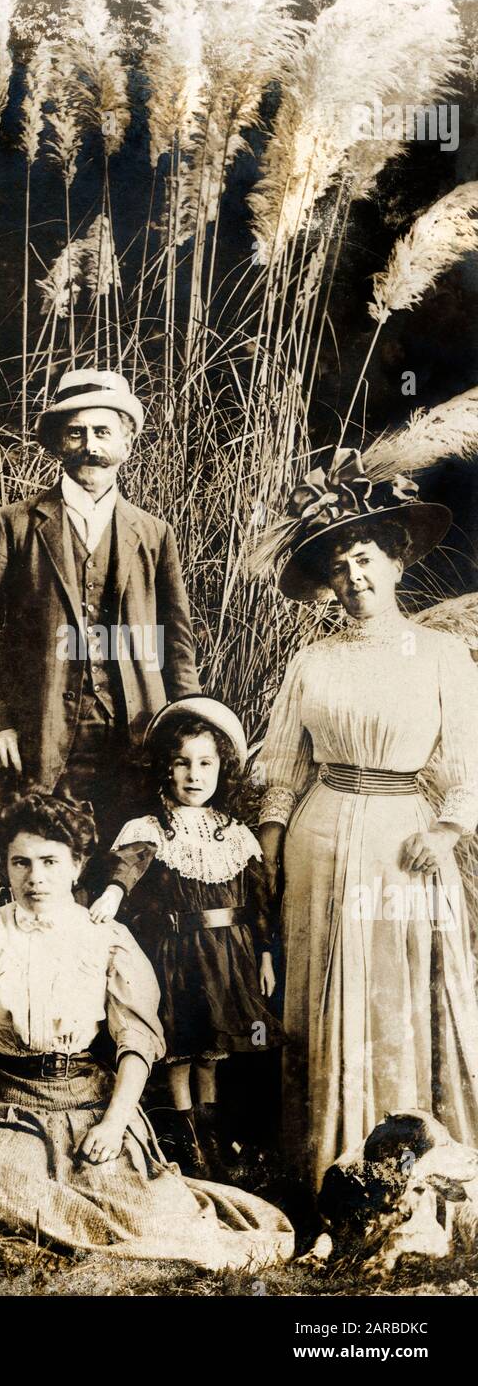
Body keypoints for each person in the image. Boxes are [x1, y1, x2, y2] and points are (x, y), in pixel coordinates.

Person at [0, 788, 294, 1271]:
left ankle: (80, 1240)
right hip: (8, 1105)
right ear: (6, 867)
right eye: (21, 863)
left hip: (90, 1101)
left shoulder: (105, 936)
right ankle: (71, 1243)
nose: (35, 878)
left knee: (141, 1203)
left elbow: (137, 1041)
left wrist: (115, 1122)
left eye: (51, 862)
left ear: (77, 866)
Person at [254, 448, 478, 1189]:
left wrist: (445, 831)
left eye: (366, 561)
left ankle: (414, 1165)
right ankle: (329, 1171)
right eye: (340, 569)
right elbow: (283, 770)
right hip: (320, 841)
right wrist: (271, 851)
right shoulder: (311, 661)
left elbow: (468, 765)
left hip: (405, 841)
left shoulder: (442, 655)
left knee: (399, 995)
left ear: (397, 561)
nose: (354, 579)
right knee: (319, 994)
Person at [0, 369, 200, 840]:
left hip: (137, 732)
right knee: (50, 861)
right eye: (77, 432)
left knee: (129, 862)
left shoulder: (153, 533)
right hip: (41, 733)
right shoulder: (12, 526)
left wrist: (185, 725)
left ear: (127, 443)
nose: (91, 445)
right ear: (57, 444)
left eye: (103, 432)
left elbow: (177, 640)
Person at [90, 696, 283, 1180]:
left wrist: (263, 954)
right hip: (176, 954)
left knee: (212, 1052)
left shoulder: (236, 834)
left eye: (205, 763)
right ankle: (185, 1139)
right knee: (180, 1045)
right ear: (165, 769)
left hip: (230, 953)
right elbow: (128, 865)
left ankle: (213, 1137)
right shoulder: (152, 828)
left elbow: (258, 900)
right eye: (182, 764)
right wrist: (113, 894)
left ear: (222, 770)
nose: (194, 776)